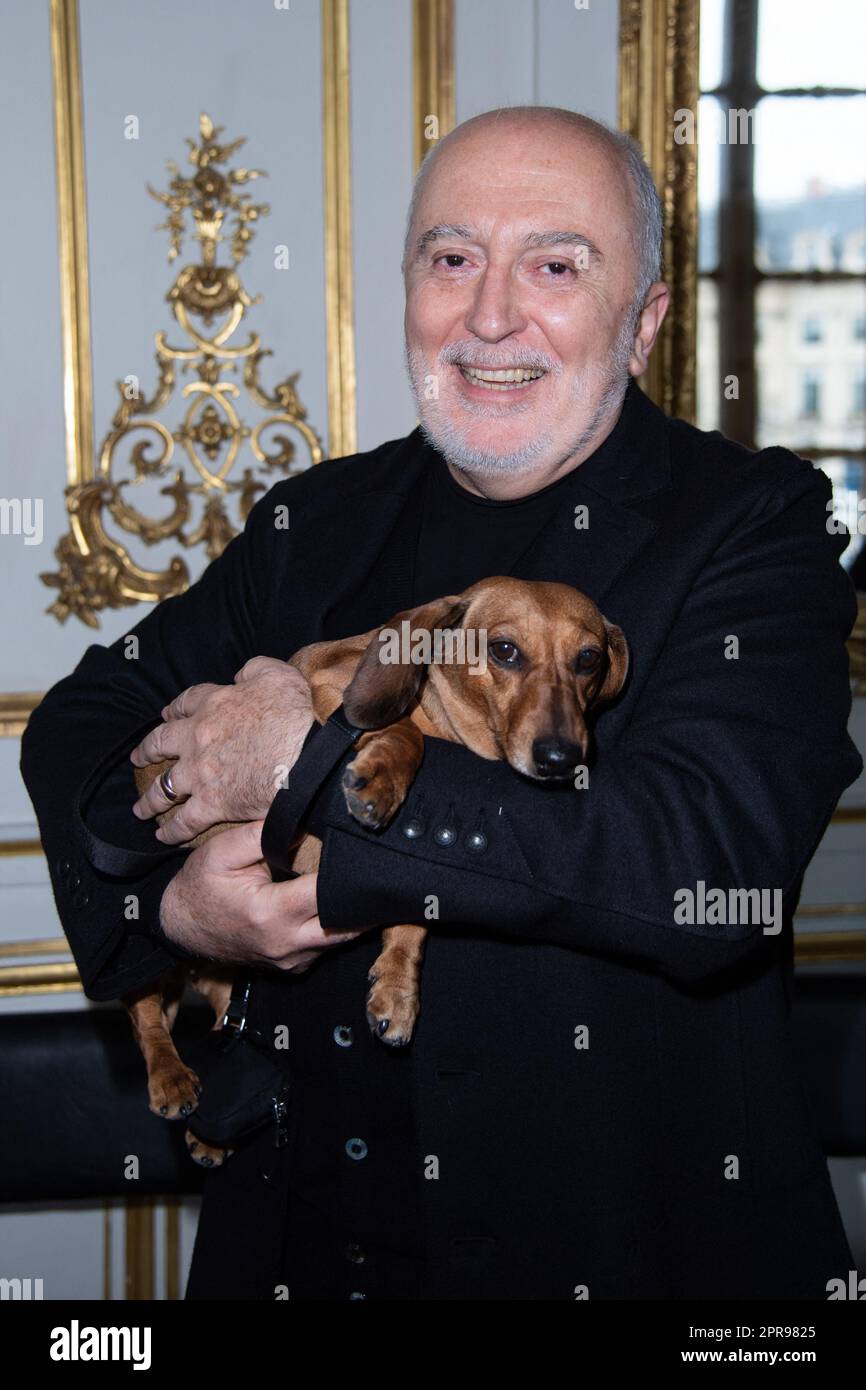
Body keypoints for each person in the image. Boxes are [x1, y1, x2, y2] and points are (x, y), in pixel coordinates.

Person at [21, 106, 862, 1300]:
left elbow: (699, 866)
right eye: (450, 258)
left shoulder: (754, 526)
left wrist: (305, 767)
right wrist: (173, 906)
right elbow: (79, 725)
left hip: (628, 1253)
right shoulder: (313, 520)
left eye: (555, 266)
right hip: (296, 1252)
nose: (488, 314)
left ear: (645, 325)